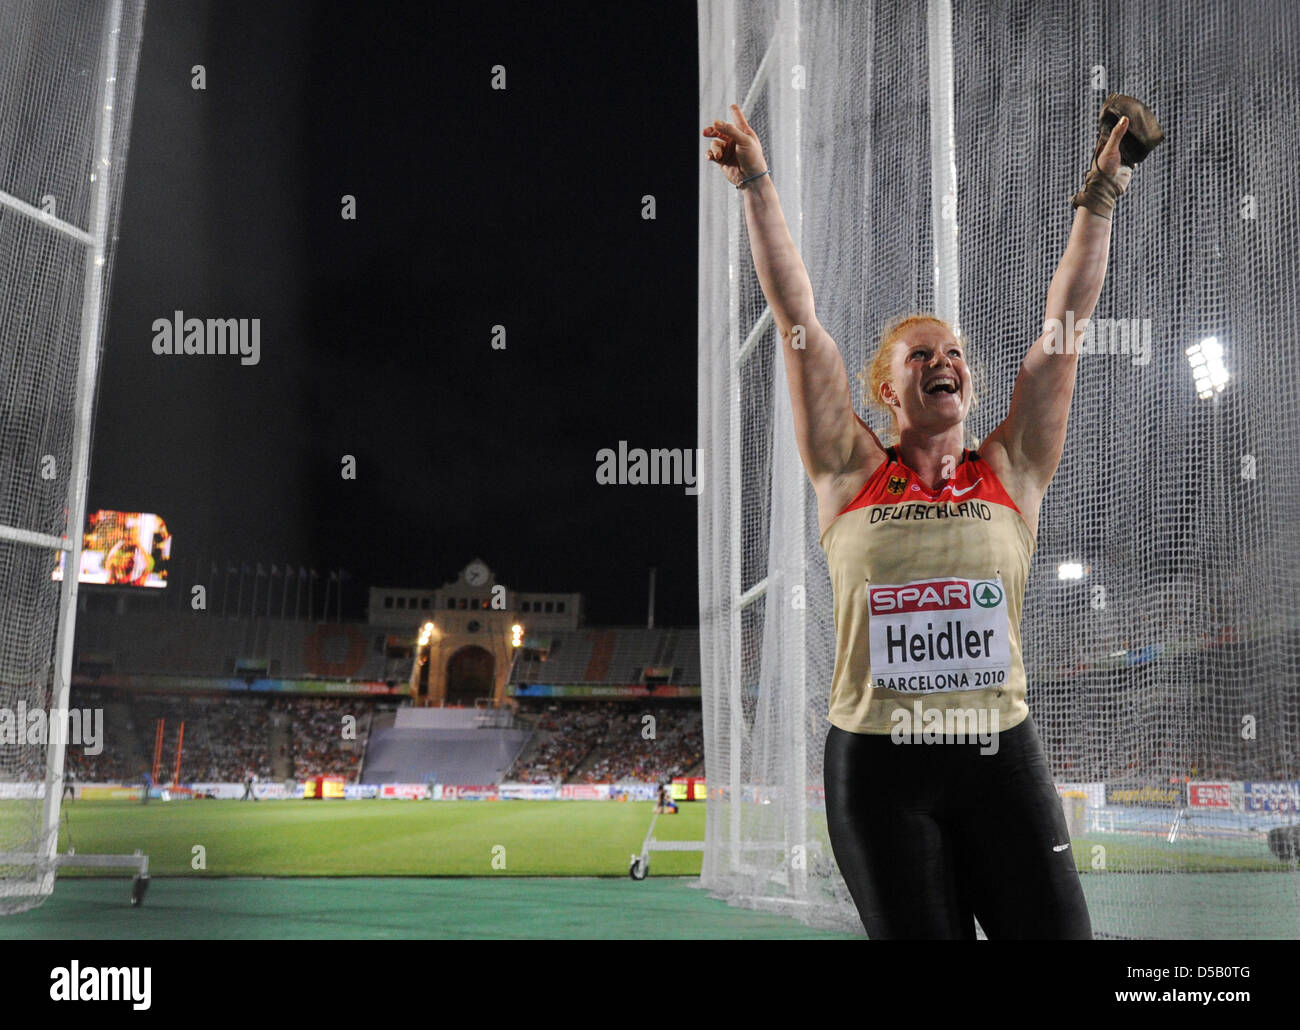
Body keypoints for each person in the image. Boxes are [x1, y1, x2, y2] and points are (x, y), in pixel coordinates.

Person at [703, 95, 1163, 939]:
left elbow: (1067, 327)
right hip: (879, 773)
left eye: (955, 353)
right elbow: (797, 318)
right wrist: (757, 185)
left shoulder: (1013, 469)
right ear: (887, 388)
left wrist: (1104, 191)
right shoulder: (848, 470)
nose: (945, 361)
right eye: (923, 354)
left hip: (1000, 759)